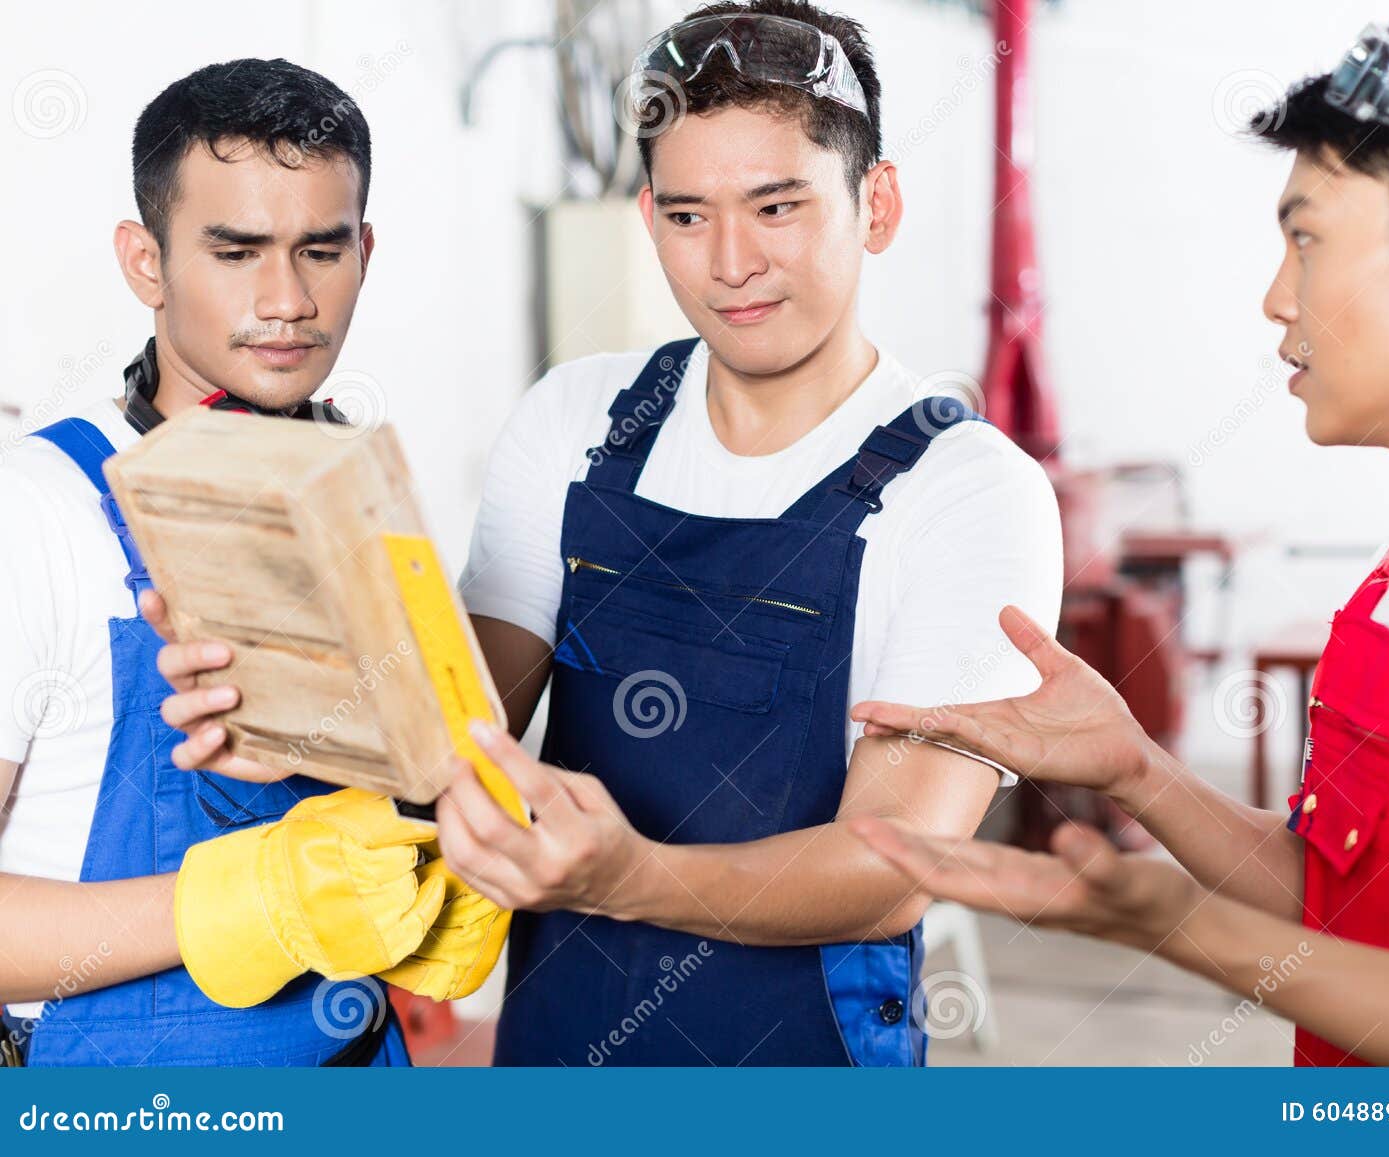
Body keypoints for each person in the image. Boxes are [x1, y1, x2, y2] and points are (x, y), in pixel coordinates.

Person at [161, 0, 1063, 1067]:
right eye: (687, 216)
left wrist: (627, 875)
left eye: (776, 207)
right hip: (560, 1047)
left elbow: (896, 867)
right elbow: (463, 731)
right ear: (648, 218)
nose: (729, 263)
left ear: (876, 202)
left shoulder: (965, 489)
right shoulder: (580, 422)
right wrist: (283, 683)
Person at [849, 7, 1389, 1066]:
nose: (1273, 296)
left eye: (1307, 236)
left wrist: (1183, 926)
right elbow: (1352, 902)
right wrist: (1138, 772)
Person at [0, 59, 497, 1068]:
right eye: (235, 252)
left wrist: (447, 856)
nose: (286, 299)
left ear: (364, 250)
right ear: (146, 261)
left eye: (321, 250)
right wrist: (250, 895)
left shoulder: (356, 499)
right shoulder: (36, 510)